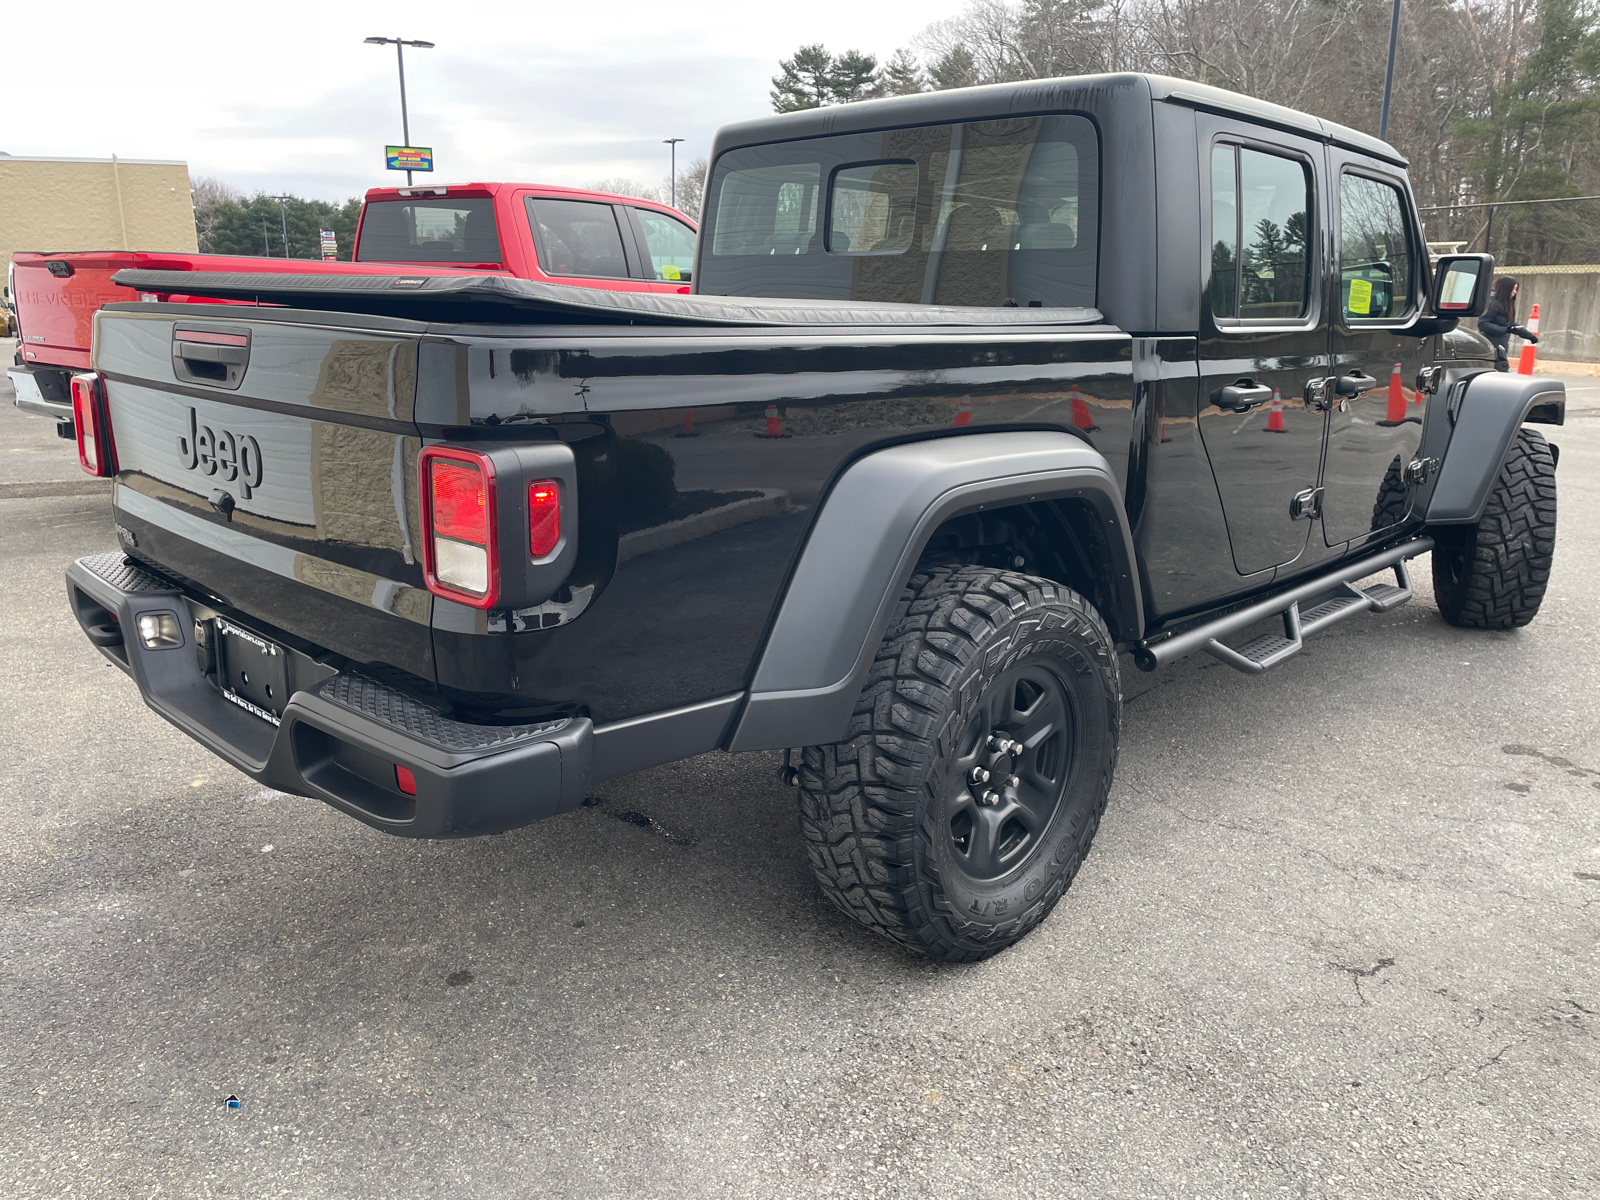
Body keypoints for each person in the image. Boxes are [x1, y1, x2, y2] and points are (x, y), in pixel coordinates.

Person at [1478, 276, 1539, 371]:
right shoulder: (1493, 304)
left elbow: (1511, 325)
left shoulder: (1506, 305)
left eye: (1516, 289)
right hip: (1490, 350)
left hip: (1500, 350)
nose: (1515, 292)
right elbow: (1483, 324)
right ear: (1506, 289)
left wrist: (1529, 336)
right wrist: (1505, 330)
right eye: (1513, 289)